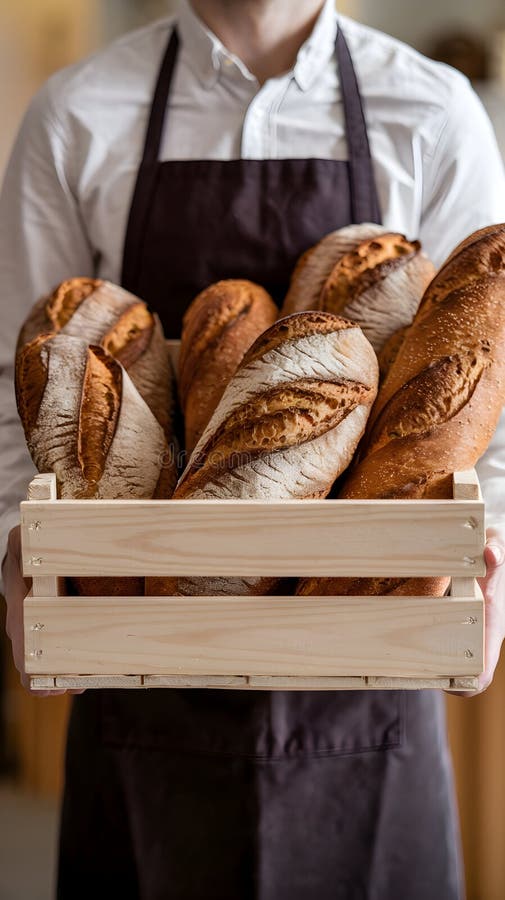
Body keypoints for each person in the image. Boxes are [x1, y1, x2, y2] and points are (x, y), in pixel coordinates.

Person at [2, 1, 505, 897]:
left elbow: (489, 383)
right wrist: (19, 539)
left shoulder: (433, 108)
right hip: (135, 667)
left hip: (375, 677)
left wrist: (490, 547)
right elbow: (21, 377)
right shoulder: (77, 111)